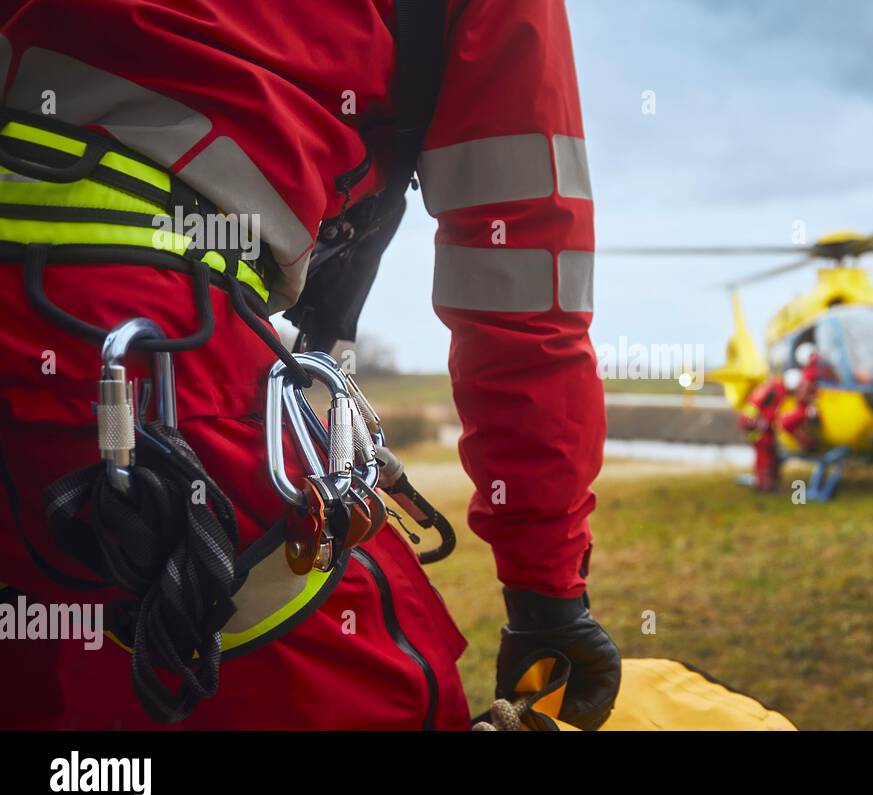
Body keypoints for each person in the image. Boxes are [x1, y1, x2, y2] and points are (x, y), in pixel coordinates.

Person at [0, 0, 619, 730]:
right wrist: (546, 588)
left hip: (102, 336)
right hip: (146, 336)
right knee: (379, 697)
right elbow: (523, 293)